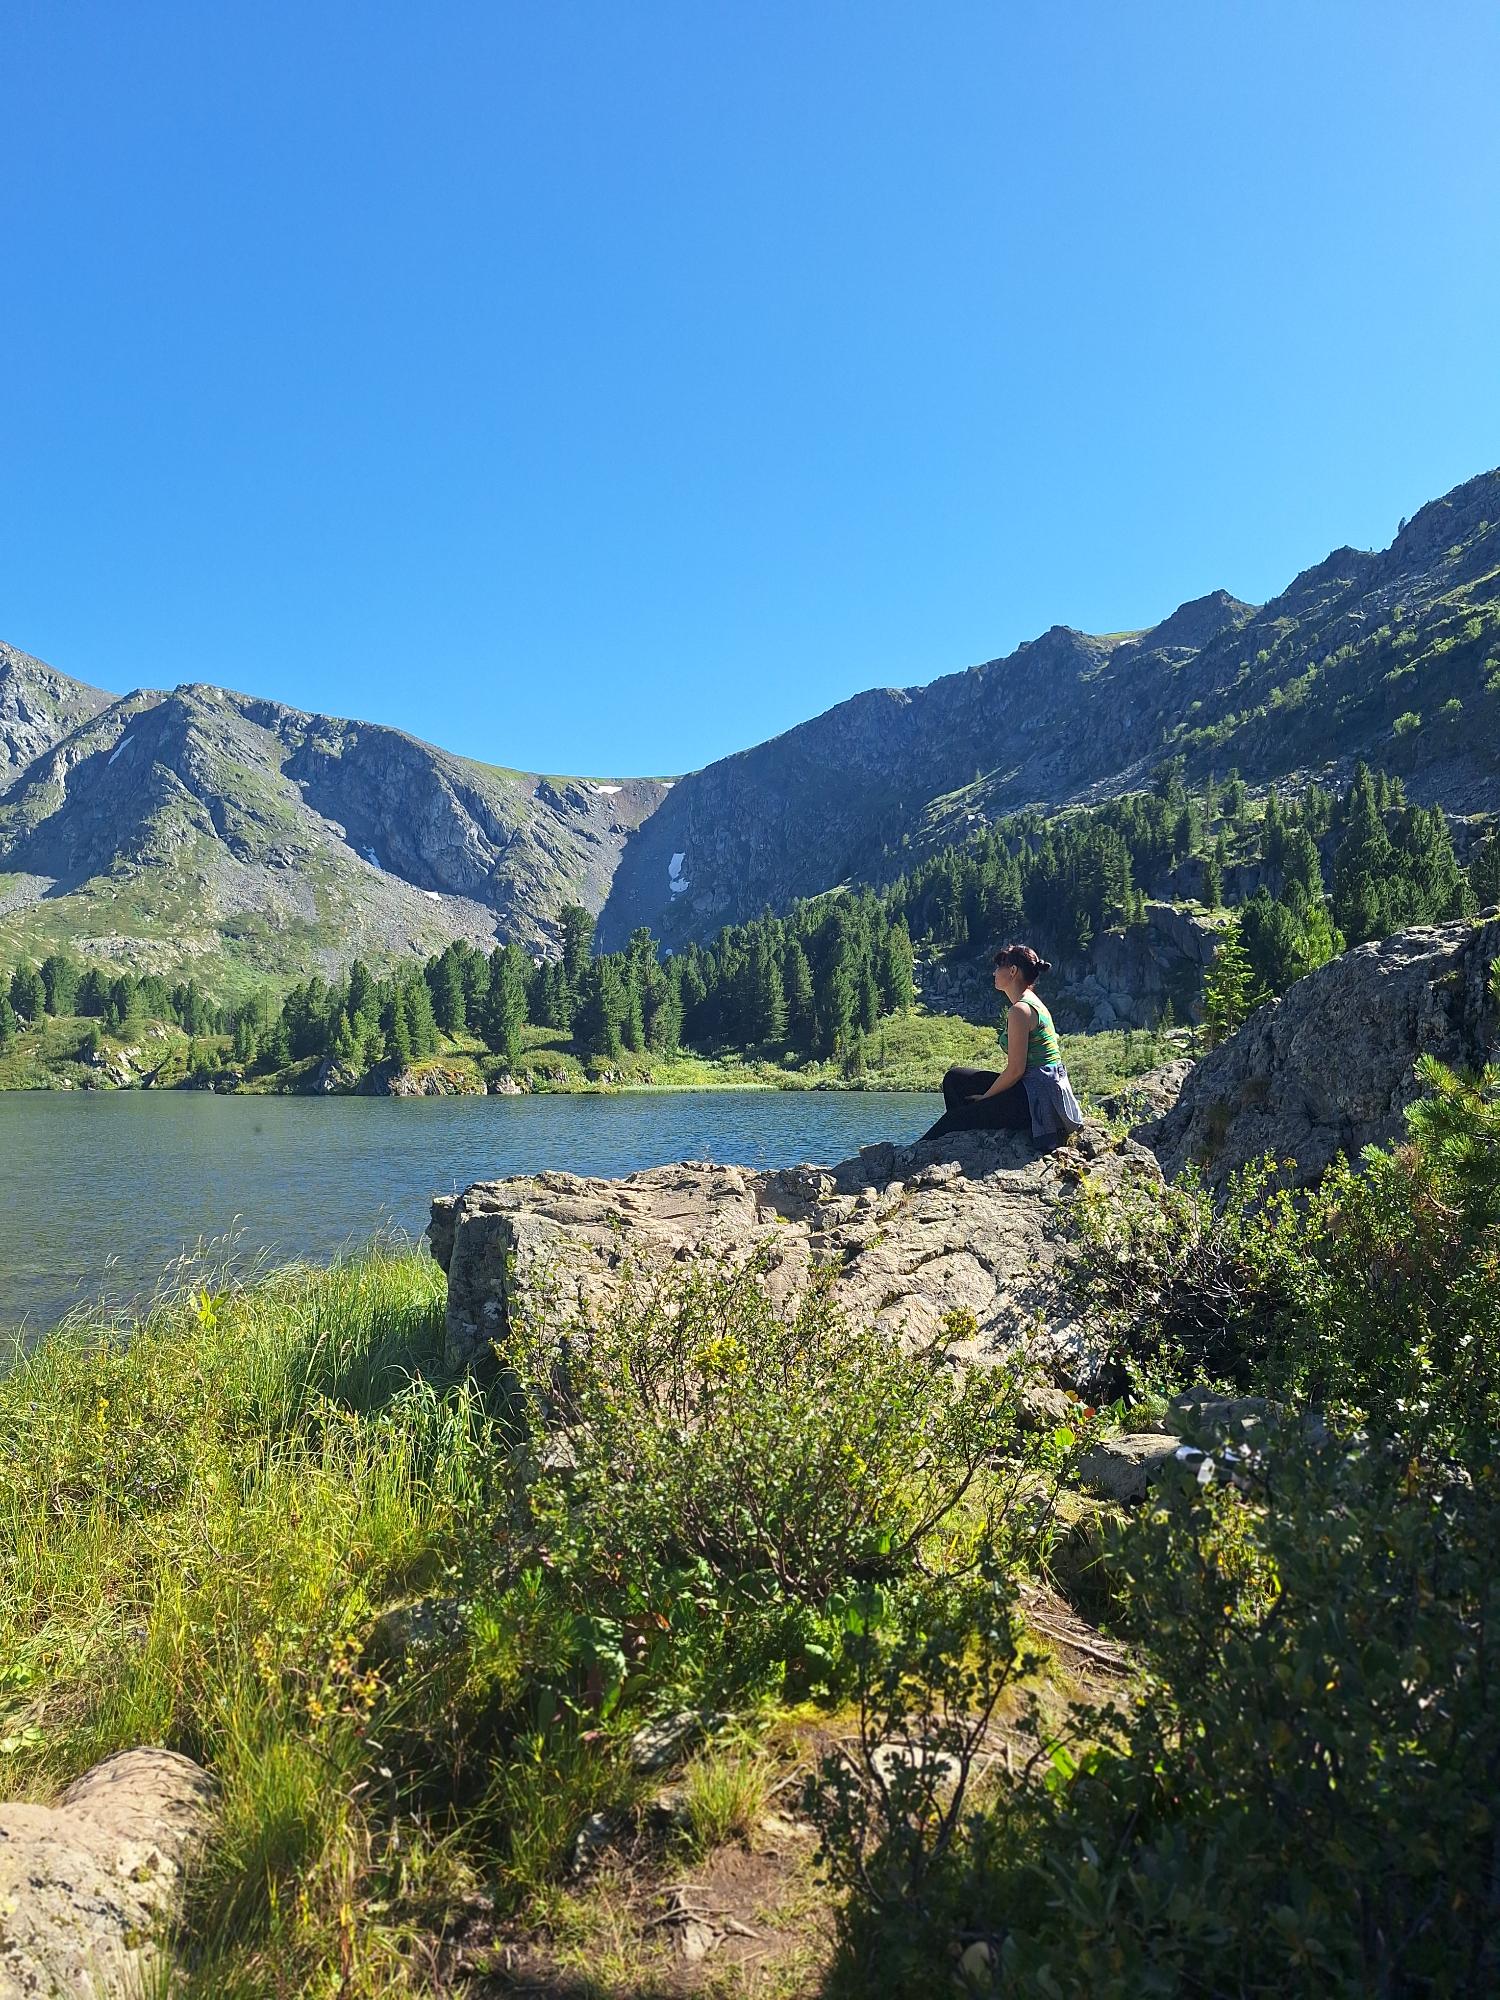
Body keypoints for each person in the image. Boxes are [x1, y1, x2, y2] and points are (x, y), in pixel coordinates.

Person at [918, 943, 1084, 1146]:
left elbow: (1015, 1070)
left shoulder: (1020, 1011)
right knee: (955, 1079)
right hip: (1034, 1087)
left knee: (957, 1118)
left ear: (1012, 971)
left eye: (999, 967)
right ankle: (967, 1136)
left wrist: (985, 1099)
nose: (994, 972)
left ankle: (920, 1150)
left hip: (1037, 1099)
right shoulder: (1031, 1002)